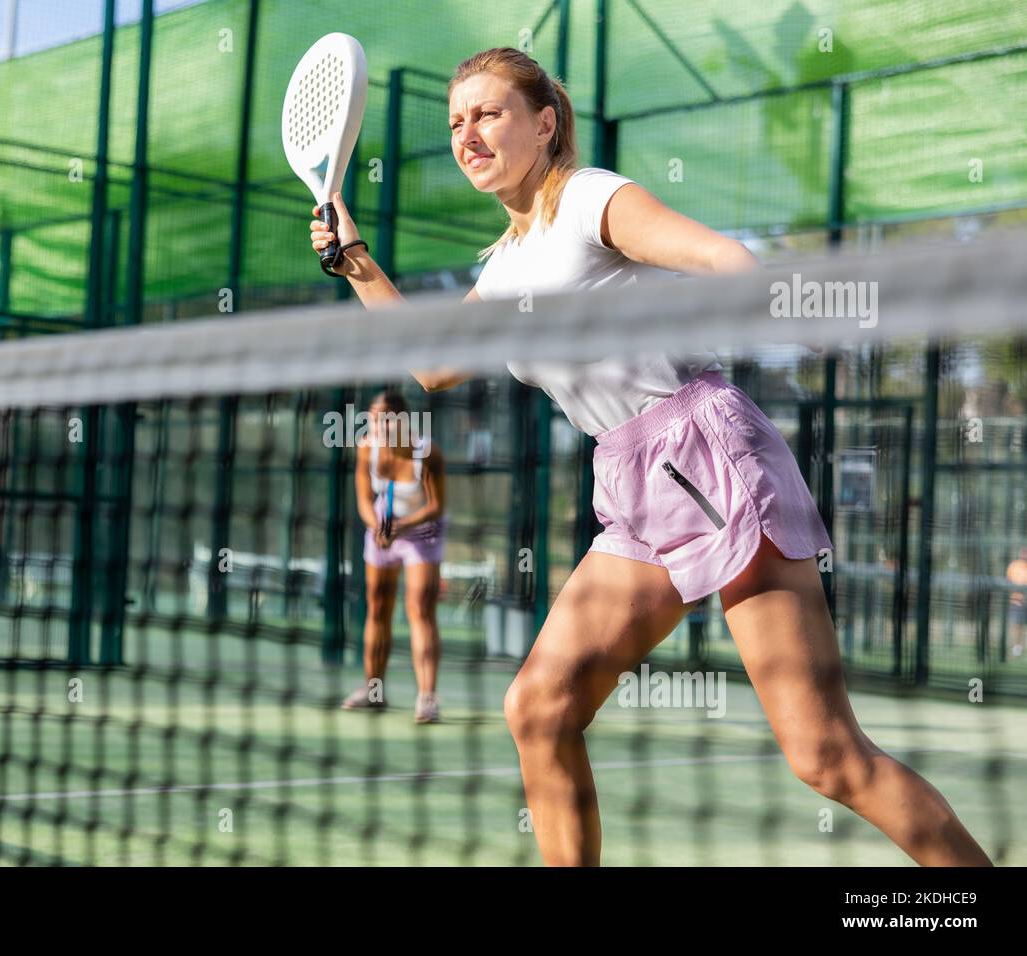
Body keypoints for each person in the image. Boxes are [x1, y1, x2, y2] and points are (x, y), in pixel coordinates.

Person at [306, 47, 992, 866]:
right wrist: (356, 262)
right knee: (539, 706)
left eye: (488, 114)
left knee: (827, 758)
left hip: (710, 463)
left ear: (545, 124)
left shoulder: (593, 198)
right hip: (628, 482)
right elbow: (434, 365)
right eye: (457, 122)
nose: (469, 134)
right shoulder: (506, 263)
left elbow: (721, 258)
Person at [343, 389, 447, 724]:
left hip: (421, 530)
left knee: (420, 609)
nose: (378, 425)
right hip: (383, 529)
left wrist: (401, 527)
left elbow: (436, 506)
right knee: (377, 607)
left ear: (401, 420)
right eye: (373, 418)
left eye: (385, 418)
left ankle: (427, 699)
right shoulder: (366, 448)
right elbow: (363, 499)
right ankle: (374, 693)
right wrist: (379, 527)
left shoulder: (426, 453)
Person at [1007, 548, 1027, 658]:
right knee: (1016, 624)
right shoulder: (1014, 566)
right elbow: (1008, 581)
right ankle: (1017, 647)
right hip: (1016, 601)